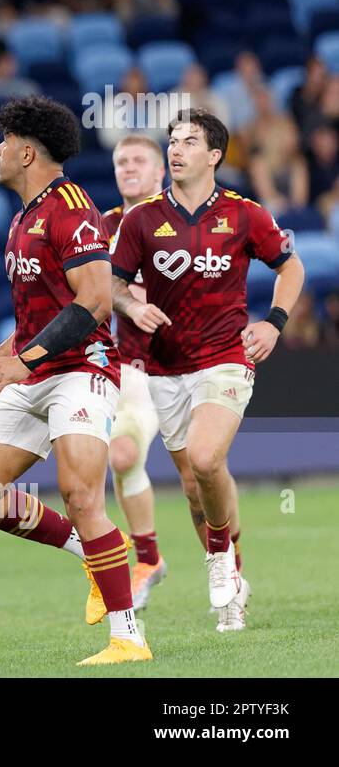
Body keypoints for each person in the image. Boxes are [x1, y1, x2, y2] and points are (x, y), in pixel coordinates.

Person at [0, 96, 149, 666]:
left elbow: (97, 301)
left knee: (82, 495)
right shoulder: (21, 218)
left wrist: (21, 362)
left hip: (82, 369)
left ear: (27, 150)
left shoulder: (72, 208)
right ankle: (92, 548)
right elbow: (38, 319)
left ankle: (129, 639)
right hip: (35, 368)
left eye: (4, 141)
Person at [110, 109, 305, 632]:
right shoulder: (141, 219)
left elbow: (291, 266)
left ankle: (218, 562)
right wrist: (130, 307)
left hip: (225, 358)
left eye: (189, 142)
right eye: (172, 141)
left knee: (204, 456)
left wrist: (274, 324)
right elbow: (110, 282)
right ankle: (235, 581)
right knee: (197, 486)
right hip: (162, 370)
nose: (176, 150)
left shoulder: (245, 214)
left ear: (214, 155)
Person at [101, 135, 168, 609]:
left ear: (161, 170)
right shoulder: (99, 226)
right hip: (125, 367)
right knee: (122, 456)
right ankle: (148, 558)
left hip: (183, 365)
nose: (128, 168)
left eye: (139, 160)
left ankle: (231, 564)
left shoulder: (181, 223)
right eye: (121, 161)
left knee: (201, 477)